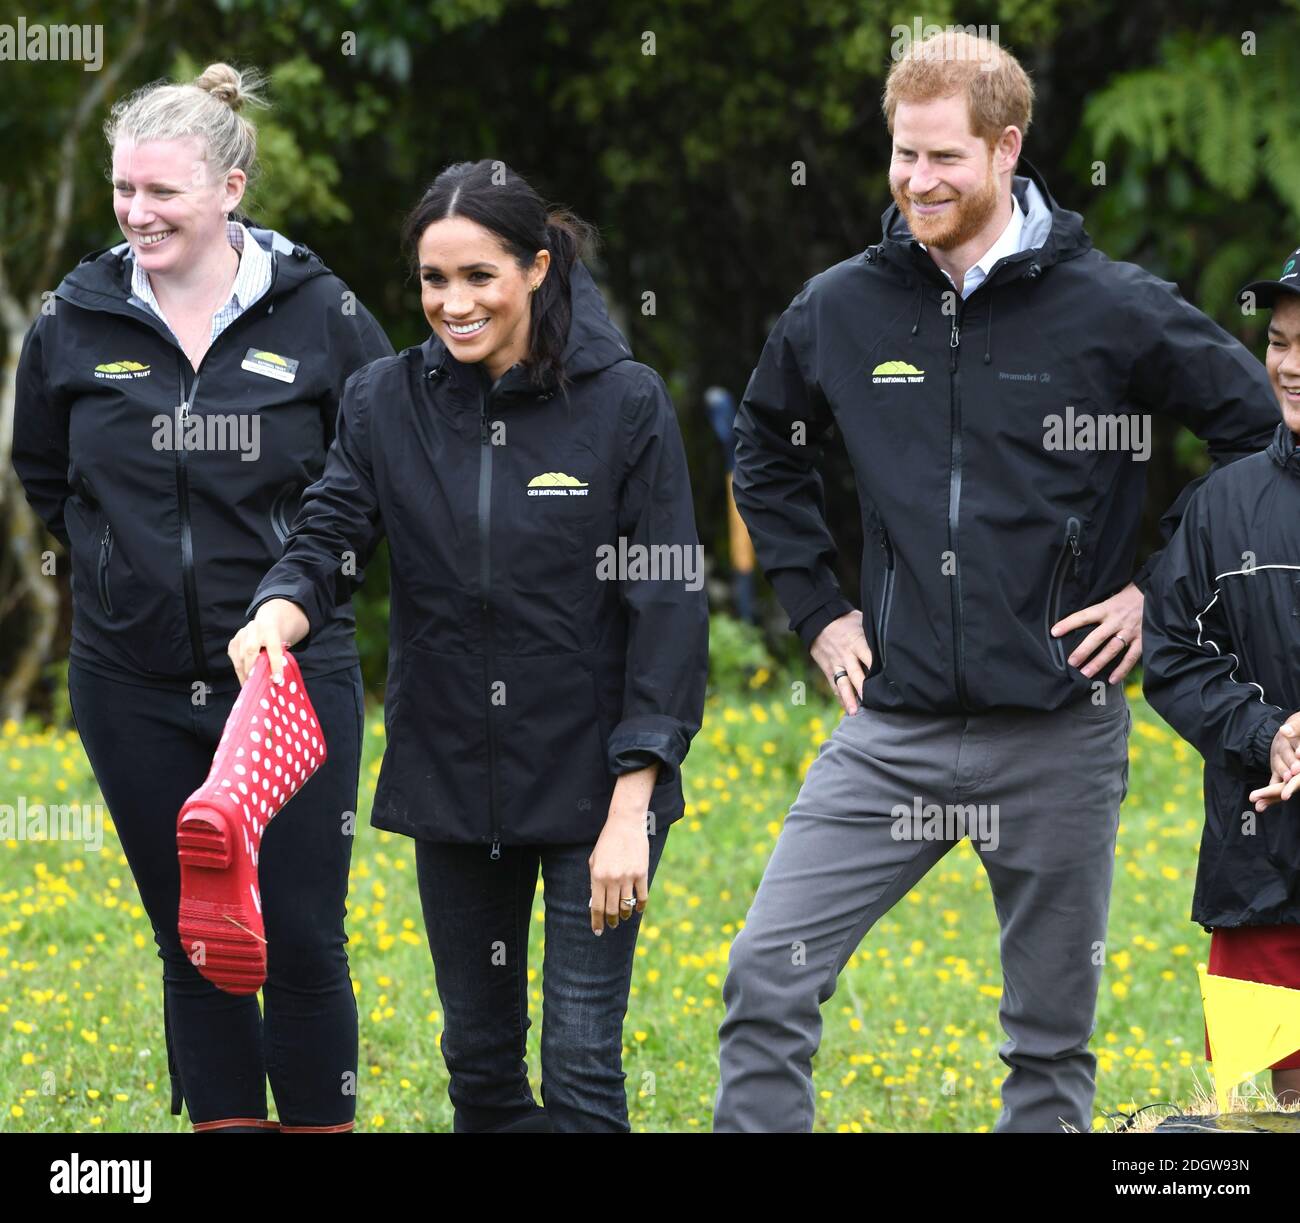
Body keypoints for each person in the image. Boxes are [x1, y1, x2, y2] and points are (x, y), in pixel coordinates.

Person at [713, 31, 1278, 1133]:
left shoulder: (1113, 307)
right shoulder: (842, 307)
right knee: (764, 979)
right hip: (893, 727)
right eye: (901, 155)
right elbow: (765, 449)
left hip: (1059, 729)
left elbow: (1256, 433)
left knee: (1048, 1043)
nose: (916, 182)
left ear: (1006, 147)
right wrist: (822, 611)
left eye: (943, 159)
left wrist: (1152, 595)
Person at [227, 159, 709, 1133]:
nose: (454, 303)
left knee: (580, 1072)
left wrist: (633, 803)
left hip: (594, 785)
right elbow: (328, 533)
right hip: (452, 776)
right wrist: (278, 608)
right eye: (434, 279)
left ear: (536, 267)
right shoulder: (383, 400)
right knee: (479, 1071)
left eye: (479, 276)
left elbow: (667, 604)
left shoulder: (624, 404)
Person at [12, 63, 393, 1133]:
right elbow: (46, 470)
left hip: (286, 677)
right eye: (124, 190)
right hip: (129, 680)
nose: (138, 213)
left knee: (306, 937)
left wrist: (296, 595)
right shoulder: (75, 318)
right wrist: (115, 569)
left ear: (231, 187)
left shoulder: (322, 314)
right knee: (195, 936)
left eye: (163, 193)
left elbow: (374, 475)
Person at [1143, 248, 1300, 1107]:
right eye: (1279, 341)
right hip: (1257, 880)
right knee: (1253, 1123)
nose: (1291, 364)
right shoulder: (1222, 505)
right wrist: (1269, 731)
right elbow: (1170, 654)